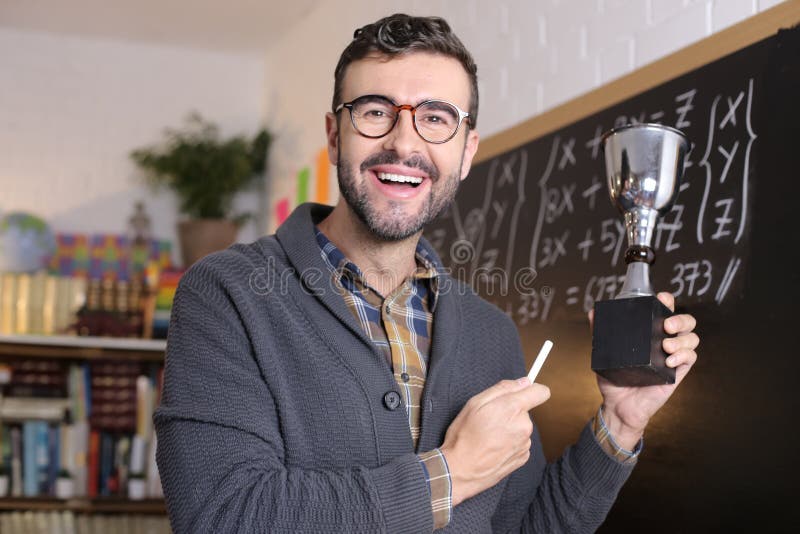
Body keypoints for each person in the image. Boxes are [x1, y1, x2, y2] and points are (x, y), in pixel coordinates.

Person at [154, 13, 699, 533]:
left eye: (436, 119)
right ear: (334, 135)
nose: (405, 143)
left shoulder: (491, 334)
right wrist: (451, 474)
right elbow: (221, 516)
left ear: (466, 153)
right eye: (374, 111)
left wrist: (621, 424)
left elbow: (525, 527)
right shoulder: (226, 293)